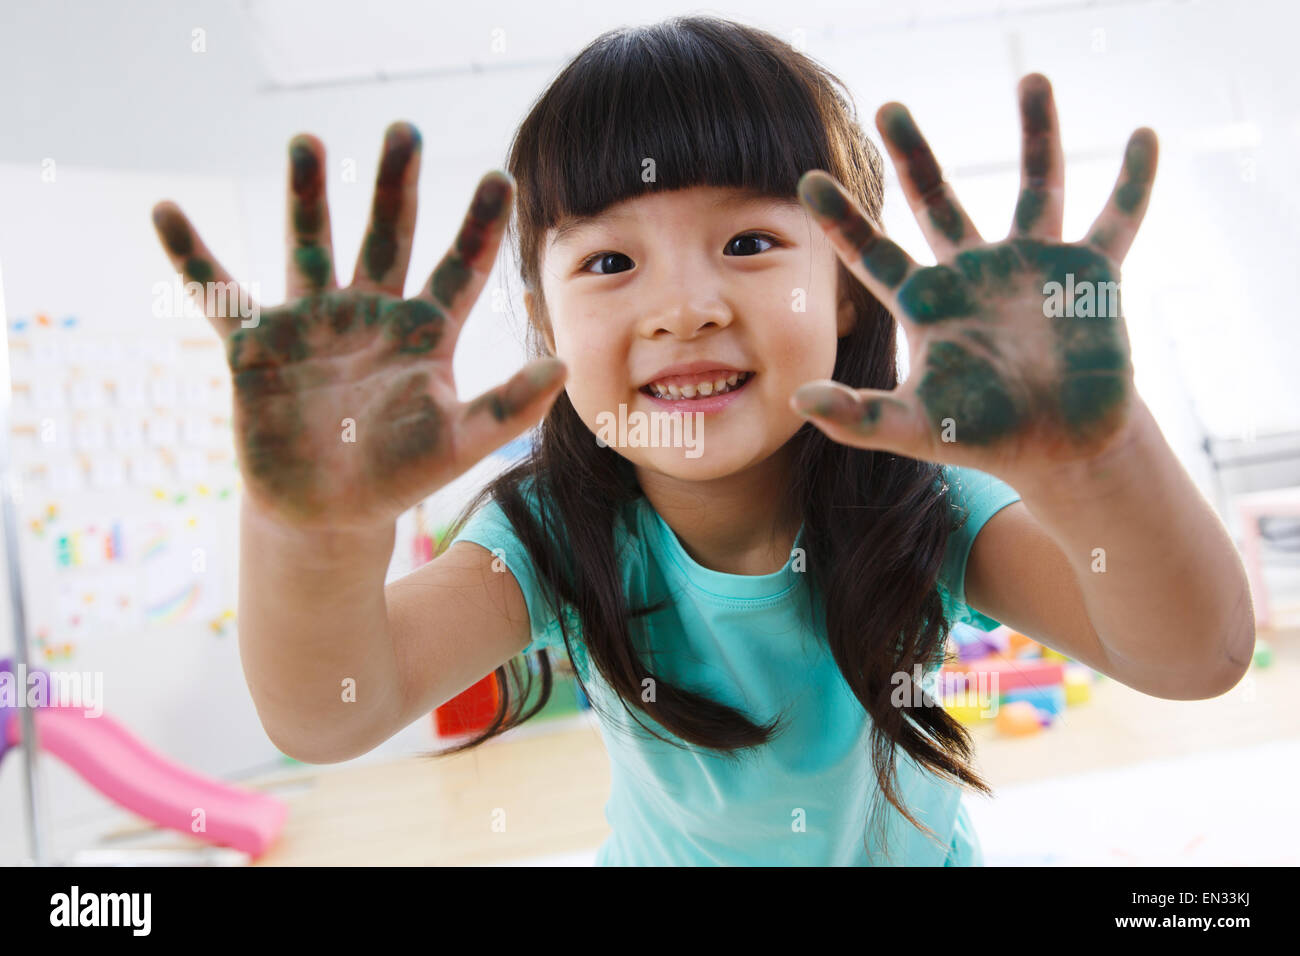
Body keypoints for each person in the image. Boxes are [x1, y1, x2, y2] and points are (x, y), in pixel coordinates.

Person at [150, 15, 1255, 865]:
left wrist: (1098, 462)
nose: (684, 308)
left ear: (848, 291)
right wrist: (313, 534)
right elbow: (331, 716)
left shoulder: (926, 495)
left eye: (749, 241)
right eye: (610, 262)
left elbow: (1194, 657)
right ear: (548, 325)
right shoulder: (546, 533)